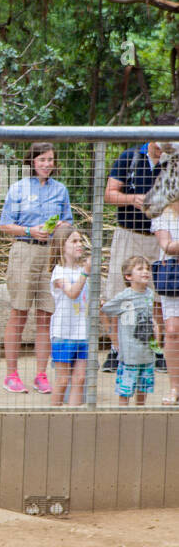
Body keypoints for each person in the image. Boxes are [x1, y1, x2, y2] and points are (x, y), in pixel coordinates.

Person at [102, 115, 176, 372]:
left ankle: (155, 351)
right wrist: (133, 198)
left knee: (158, 296)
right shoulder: (129, 157)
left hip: (160, 237)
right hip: (129, 233)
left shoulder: (173, 163)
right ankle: (116, 351)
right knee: (117, 293)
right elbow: (109, 194)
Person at [0, 142, 72, 394]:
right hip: (24, 251)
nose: (47, 164)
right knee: (19, 312)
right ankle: (11, 374)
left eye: (51, 160)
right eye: (42, 160)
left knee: (45, 315)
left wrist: (59, 227)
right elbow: (5, 225)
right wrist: (30, 230)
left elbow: (68, 224)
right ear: (32, 162)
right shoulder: (18, 188)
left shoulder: (60, 190)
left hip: (51, 254)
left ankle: (41, 374)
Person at [101, 256, 157, 406]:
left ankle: (140, 415)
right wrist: (114, 338)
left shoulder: (149, 294)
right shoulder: (125, 296)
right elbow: (106, 309)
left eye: (147, 269)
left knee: (143, 389)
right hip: (129, 355)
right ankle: (123, 417)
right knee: (125, 390)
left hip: (147, 353)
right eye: (140, 269)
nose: (145, 272)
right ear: (128, 276)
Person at [47, 224, 91, 407]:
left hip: (83, 333)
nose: (79, 244)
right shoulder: (59, 272)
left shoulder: (82, 271)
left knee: (79, 379)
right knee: (63, 379)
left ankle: (75, 418)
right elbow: (72, 292)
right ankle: (53, 418)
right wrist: (86, 272)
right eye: (73, 241)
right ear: (61, 246)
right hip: (63, 333)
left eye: (80, 240)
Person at [152, 195, 179, 404]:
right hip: (173, 274)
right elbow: (167, 246)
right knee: (172, 331)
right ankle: (174, 388)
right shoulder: (163, 213)